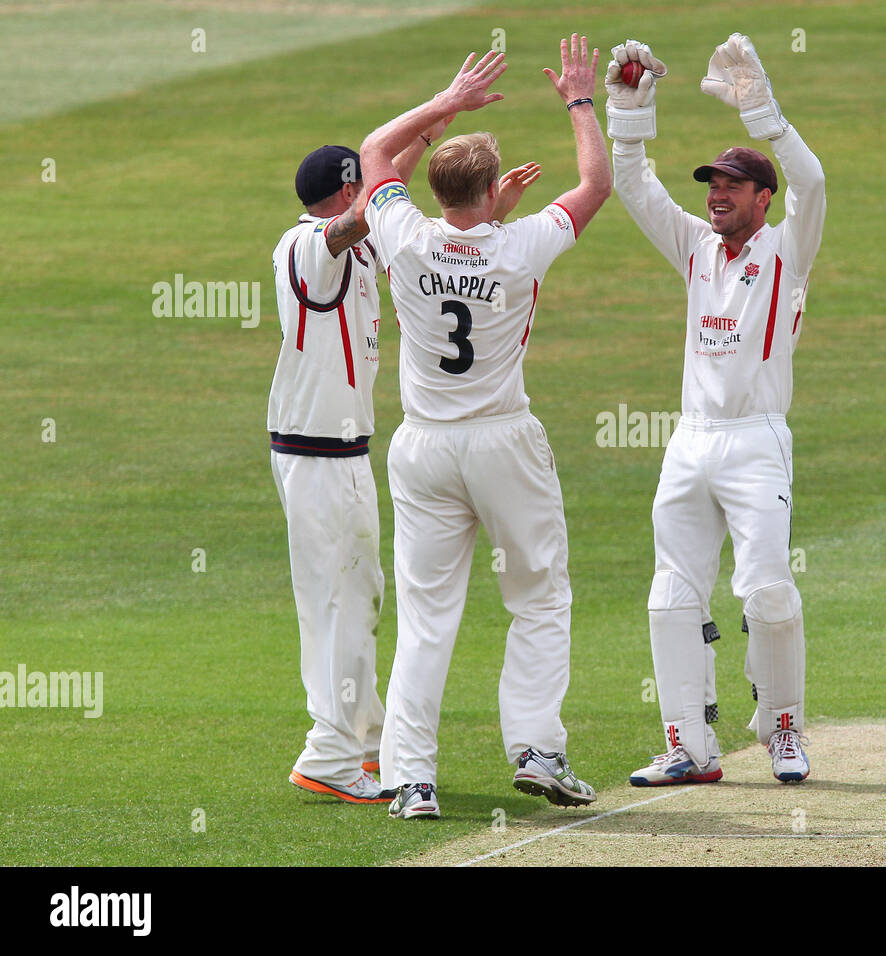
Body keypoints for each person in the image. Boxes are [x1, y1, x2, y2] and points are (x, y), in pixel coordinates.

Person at [358, 38, 612, 820]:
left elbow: (374, 150)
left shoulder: (403, 233)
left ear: (431, 189)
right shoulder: (521, 244)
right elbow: (596, 183)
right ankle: (536, 749)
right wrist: (578, 97)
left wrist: (447, 101)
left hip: (423, 448)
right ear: (493, 189)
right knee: (538, 596)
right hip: (503, 440)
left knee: (426, 618)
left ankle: (413, 781)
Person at [606, 35, 825, 785]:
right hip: (690, 441)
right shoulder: (697, 248)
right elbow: (635, 188)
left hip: (756, 441)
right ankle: (689, 748)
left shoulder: (788, 250)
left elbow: (814, 180)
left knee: (766, 588)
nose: (717, 193)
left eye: (733, 184)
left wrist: (763, 111)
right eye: (713, 183)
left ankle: (783, 729)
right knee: (671, 593)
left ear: (763, 199)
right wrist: (630, 110)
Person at [269, 133, 435, 804]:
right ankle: (329, 756)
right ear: (345, 193)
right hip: (317, 455)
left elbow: (384, 192)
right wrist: (439, 110)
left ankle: (362, 744)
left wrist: (429, 133)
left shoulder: (356, 237)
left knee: (357, 599)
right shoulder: (308, 247)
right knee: (337, 605)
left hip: (339, 452)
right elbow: (363, 212)